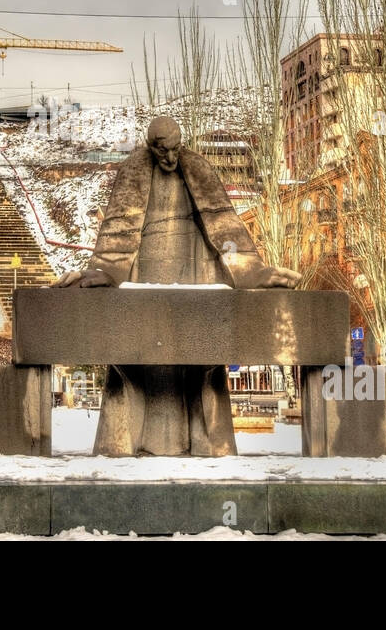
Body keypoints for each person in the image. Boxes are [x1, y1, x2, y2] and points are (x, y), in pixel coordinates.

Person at [52, 116, 298, 456]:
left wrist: (251, 271)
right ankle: (132, 441)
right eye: (163, 151)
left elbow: (223, 223)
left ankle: (202, 442)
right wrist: (102, 271)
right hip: (142, 277)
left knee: (198, 361)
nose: (170, 157)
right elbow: (118, 230)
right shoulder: (133, 169)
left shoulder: (197, 167)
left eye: (176, 149)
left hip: (194, 273)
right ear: (150, 146)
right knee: (138, 360)